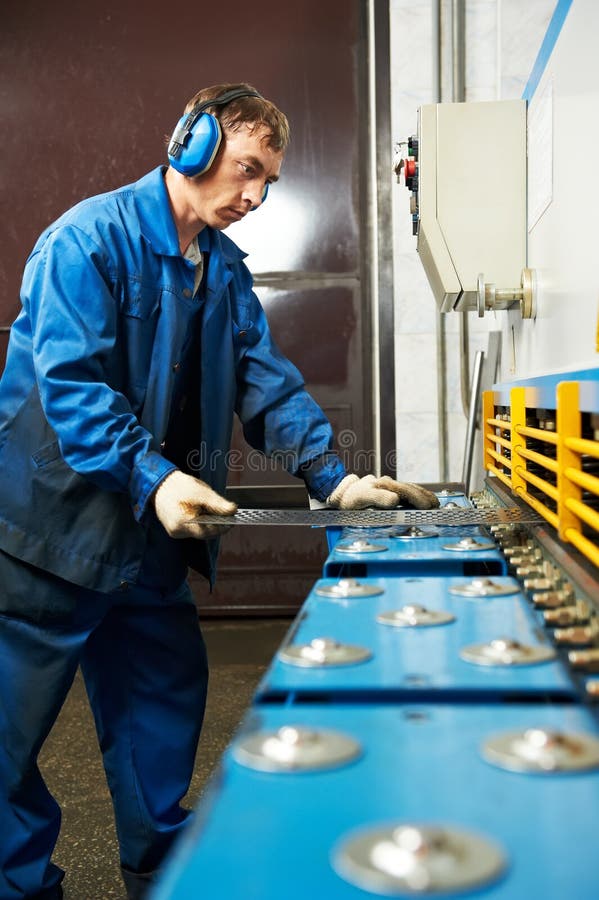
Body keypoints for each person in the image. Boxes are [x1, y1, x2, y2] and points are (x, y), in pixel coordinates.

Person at [0, 82, 439, 899]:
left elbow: (266, 383)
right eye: (246, 169)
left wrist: (334, 477)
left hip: (150, 538)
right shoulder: (87, 241)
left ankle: (161, 877)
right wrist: (155, 476)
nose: (255, 197)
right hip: (49, 533)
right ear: (191, 146)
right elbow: (71, 388)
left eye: (269, 180)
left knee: (160, 713)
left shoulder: (224, 271)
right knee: (6, 743)